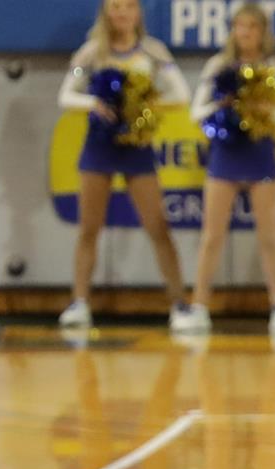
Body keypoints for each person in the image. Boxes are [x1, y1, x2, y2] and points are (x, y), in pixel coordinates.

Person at [56, 0, 192, 332]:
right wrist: (94, 103)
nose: (122, 13)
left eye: (128, 6)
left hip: (137, 148)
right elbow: (66, 95)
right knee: (89, 228)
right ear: (106, 12)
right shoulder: (90, 53)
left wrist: (146, 104)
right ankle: (80, 303)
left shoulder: (153, 51)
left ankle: (179, 304)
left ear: (137, 12)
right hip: (99, 147)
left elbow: (182, 94)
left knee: (158, 226)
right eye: (115, 6)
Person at [175, 3, 275, 336]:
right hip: (225, 156)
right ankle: (199, 307)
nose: (245, 33)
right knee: (212, 236)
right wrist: (223, 105)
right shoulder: (219, 66)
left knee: (270, 235)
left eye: (252, 27)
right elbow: (195, 113)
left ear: (263, 32)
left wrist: (264, 108)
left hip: (261, 156)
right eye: (239, 27)